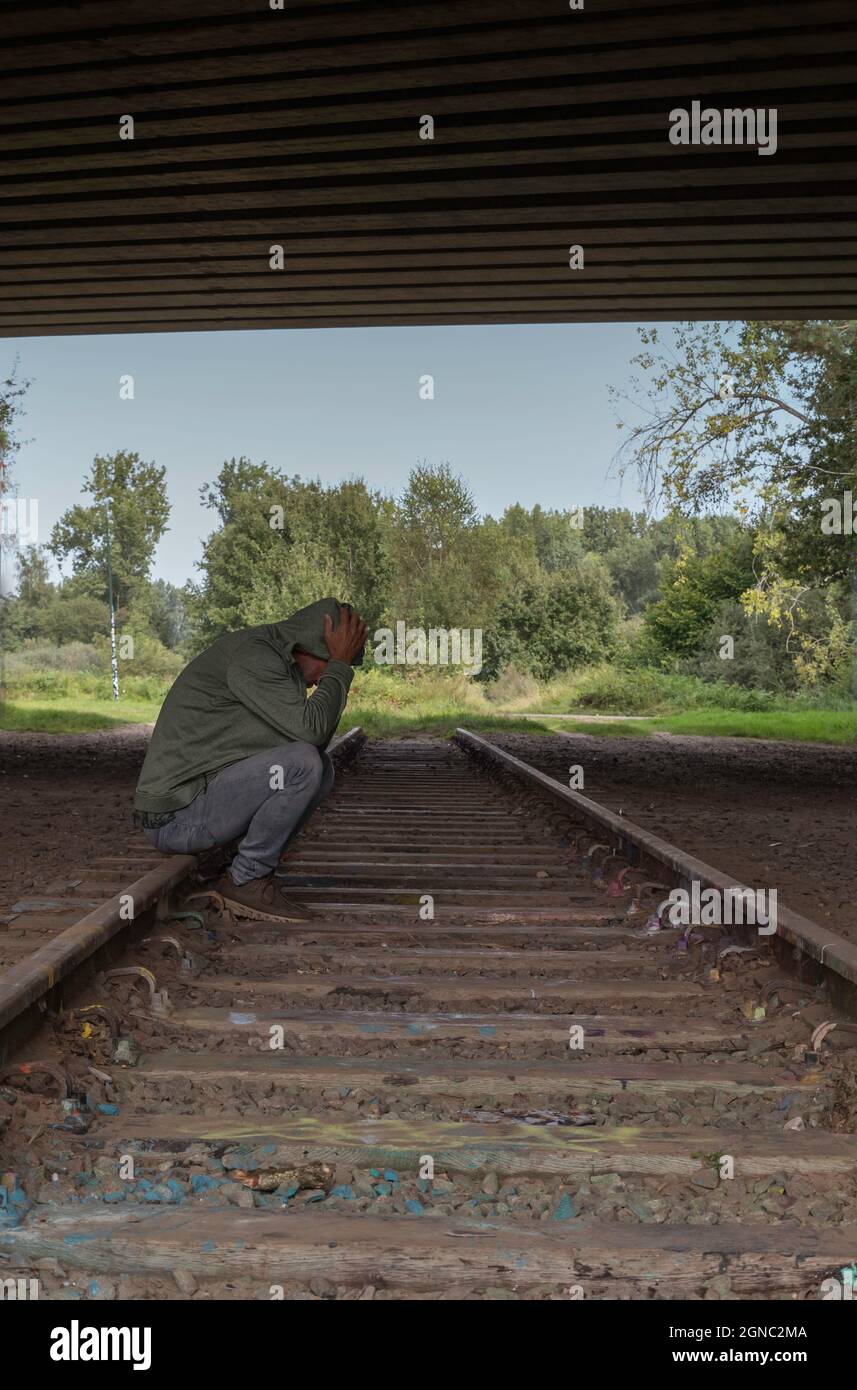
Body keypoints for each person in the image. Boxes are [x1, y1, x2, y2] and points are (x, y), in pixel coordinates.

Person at [133, 597, 366, 922]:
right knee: (303, 765)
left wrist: (336, 665)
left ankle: (230, 862)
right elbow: (310, 735)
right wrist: (339, 668)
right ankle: (247, 879)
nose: (319, 681)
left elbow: (312, 738)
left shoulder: (282, 665)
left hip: (199, 803)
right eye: (330, 664)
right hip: (175, 819)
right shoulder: (256, 658)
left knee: (319, 767)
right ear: (312, 645)